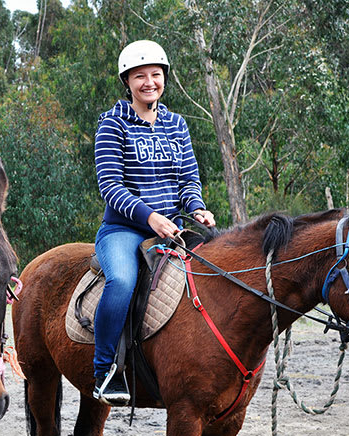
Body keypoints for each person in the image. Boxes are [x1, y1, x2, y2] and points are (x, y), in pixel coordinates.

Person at [92, 40, 216, 406]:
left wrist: (197, 208)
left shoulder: (177, 125)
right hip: (124, 230)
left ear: (164, 79)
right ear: (127, 82)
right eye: (140, 76)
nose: (149, 82)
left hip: (174, 229)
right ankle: (105, 371)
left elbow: (188, 181)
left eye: (156, 75)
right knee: (121, 281)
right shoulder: (112, 125)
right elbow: (110, 187)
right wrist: (150, 218)